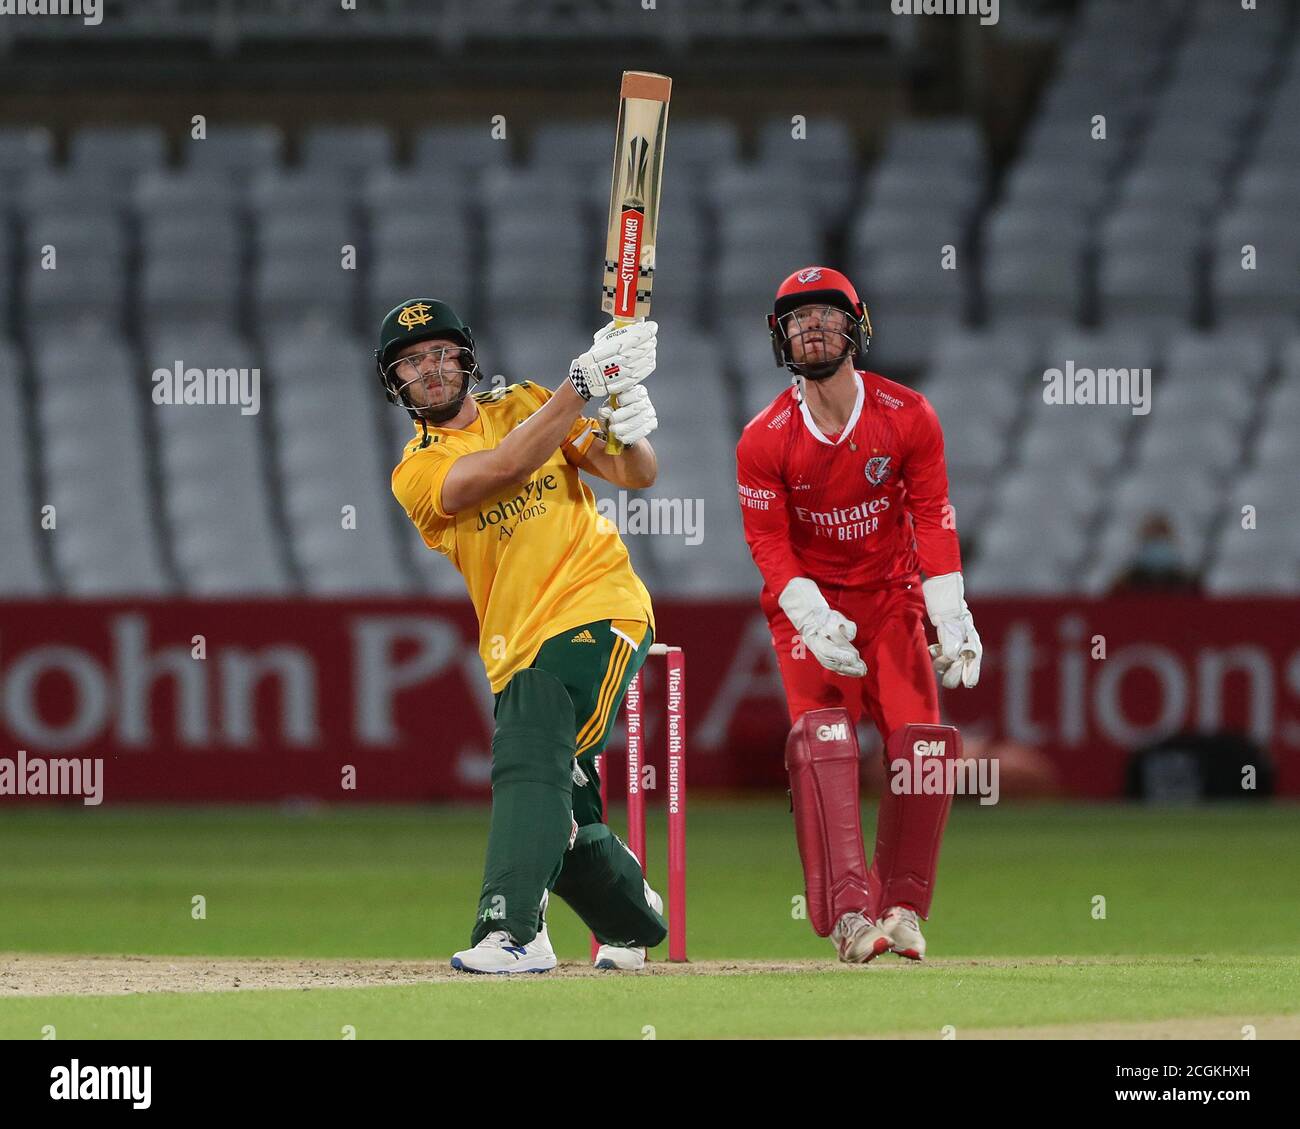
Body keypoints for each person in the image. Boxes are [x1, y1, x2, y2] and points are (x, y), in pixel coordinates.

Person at [379, 297, 666, 973]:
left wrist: (627, 423)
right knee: (554, 803)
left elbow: (637, 475)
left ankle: (509, 930)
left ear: (465, 357)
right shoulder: (414, 473)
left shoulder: (529, 401)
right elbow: (505, 467)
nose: (431, 369)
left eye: (441, 353)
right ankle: (631, 916)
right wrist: (584, 386)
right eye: (412, 362)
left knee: (530, 756)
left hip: (601, 605)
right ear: (395, 384)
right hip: (517, 641)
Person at [735, 267, 982, 964]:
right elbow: (769, 544)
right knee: (824, 743)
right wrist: (812, 617)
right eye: (797, 320)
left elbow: (932, 515)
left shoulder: (909, 415)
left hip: (892, 600)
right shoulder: (763, 439)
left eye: (827, 315)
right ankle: (849, 915)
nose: (812, 329)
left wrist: (951, 613)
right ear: (780, 338)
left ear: (857, 326)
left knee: (926, 750)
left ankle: (901, 907)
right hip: (809, 612)